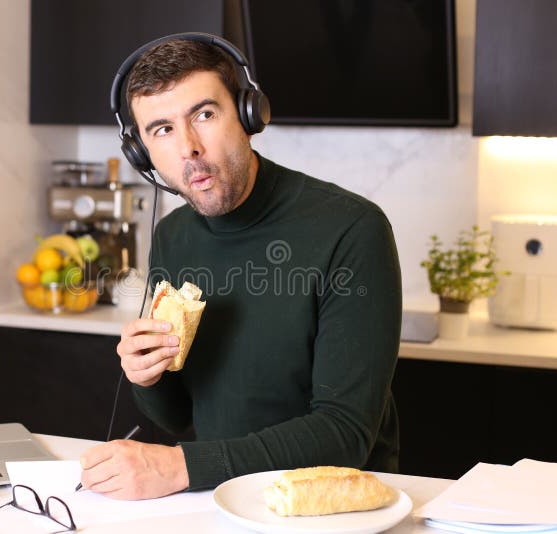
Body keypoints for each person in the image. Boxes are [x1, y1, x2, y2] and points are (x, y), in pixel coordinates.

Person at [79, 35, 402, 500]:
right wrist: (145, 375)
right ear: (141, 151)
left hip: (334, 506)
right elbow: (181, 417)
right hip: (221, 499)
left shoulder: (351, 228)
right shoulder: (174, 236)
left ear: (250, 116)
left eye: (204, 115)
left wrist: (181, 465)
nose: (188, 147)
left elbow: (345, 434)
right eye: (162, 130)